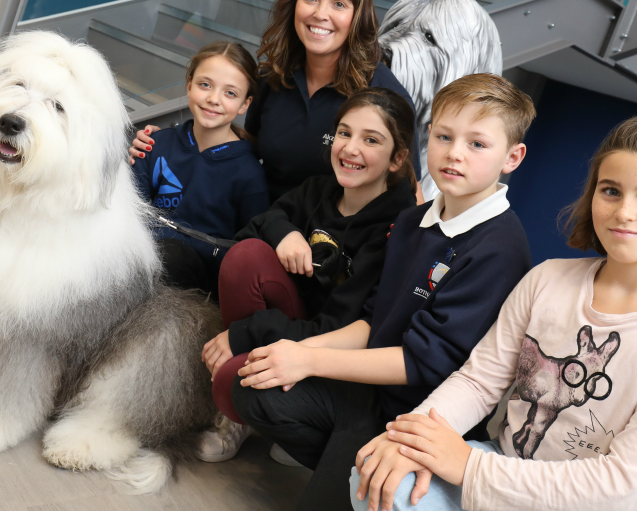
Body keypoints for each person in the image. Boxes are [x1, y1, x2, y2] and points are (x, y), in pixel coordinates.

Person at [350, 115, 637, 511]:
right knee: (381, 475)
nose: (624, 212)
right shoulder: (547, 279)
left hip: (583, 503)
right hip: (500, 468)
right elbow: (479, 382)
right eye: (611, 191)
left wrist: (468, 465)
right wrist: (410, 439)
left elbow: (623, 482)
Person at [230, 74, 536, 510]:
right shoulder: (414, 222)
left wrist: (310, 357)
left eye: (477, 144)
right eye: (444, 136)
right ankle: (343, 469)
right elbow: (372, 320)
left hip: (419, 416)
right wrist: (295, 354)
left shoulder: (499, 249)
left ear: (513, 157)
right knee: (254, 384)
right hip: (369, 392)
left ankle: (354, 478)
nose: (454, 153)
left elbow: (421, 363)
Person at [197, 88, 419, 462]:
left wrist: (245, 334)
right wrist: (285, 232)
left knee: (232, 379)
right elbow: (251, 231)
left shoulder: (396, 229)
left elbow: (342, 329)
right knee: (246, 256)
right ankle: (239, 419)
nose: (350, 149)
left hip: (331, 352)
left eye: (371, 140)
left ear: (397, 158)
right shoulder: (319, 187)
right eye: (345, 133)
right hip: (292, 322)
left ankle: (286, 417)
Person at [130, 0, 421, 202]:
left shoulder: (383, 95)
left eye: (339, 4)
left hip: (334, 243)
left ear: (358, 18)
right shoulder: (274, 77)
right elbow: (246, 143)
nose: (321, 14)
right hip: (263, 226)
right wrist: (168, 141)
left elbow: (410, 191)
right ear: (294, 5)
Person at [130, 41, 269, 293]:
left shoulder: (249, 174)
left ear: (245, 105)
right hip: (139, 264)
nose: (213, 99)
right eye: (205, 85)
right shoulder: (154, 145)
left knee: (171, 254)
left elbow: (247, 251)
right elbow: (127, 212)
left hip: (197, 288)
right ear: (189, 85)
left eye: (230, 93)